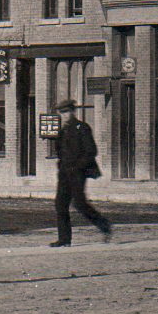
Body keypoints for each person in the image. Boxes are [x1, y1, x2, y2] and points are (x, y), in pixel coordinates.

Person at [49, 99, 112, 247]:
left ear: (72, 111)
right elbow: (60, 151)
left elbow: (91, 151)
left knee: (79, 203)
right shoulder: (62, 130)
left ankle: (104, 225)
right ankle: (64, 239)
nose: (64, 115)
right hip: (64, 172)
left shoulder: (82, 128)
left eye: (66, 112)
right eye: (61, 113)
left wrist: (78, 167)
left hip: (78, 172)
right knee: (60, 204)